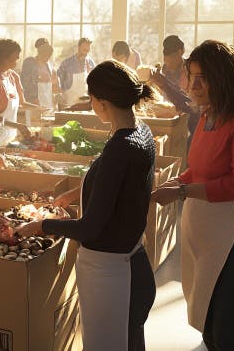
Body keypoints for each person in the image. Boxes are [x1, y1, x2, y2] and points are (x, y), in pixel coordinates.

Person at [17, 60, 157, 351]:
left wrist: (41, 226)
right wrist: (76, 194)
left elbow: (90, 227)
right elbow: (117, 183)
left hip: (114, 276)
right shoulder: (140, 131)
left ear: (102, 102)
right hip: (133, 260)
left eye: (92, 99)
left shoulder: (122, 147)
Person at [151, 40, 234, 351]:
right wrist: (177, 180)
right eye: (192, 76)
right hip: (217, 234)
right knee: (218, 322)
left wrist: (181, 191)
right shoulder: (208, 116)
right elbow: (201, 168)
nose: (195, 85)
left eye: (204, 77)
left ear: (224, 78)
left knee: (226, 326)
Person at [0, 39, 37, 149]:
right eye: (16, 55)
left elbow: (22, 102)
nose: (18, 58)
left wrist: (41, 108)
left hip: (8, 138)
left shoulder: (13, 76)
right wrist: (18, 126)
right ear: (6, 57)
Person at [20, 38, 59, 109]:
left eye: (49, 56)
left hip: (47, 102)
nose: (47, 58)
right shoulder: (30, 62)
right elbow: (24, 83)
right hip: (33, 102)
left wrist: (54, 96)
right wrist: (33, 98)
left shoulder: (49, 65)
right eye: (45, 55)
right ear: (39, 51)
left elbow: (52, 85)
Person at [58, 37, 96, 107]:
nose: (86, 53)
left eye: (88, 51)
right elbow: (58, 80)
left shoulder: (91, 63)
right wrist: (62, 93)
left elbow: (94, 82)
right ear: (78, 47)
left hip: (85, 103)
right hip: (70, 103)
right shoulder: (67, 63)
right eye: (84, 50)